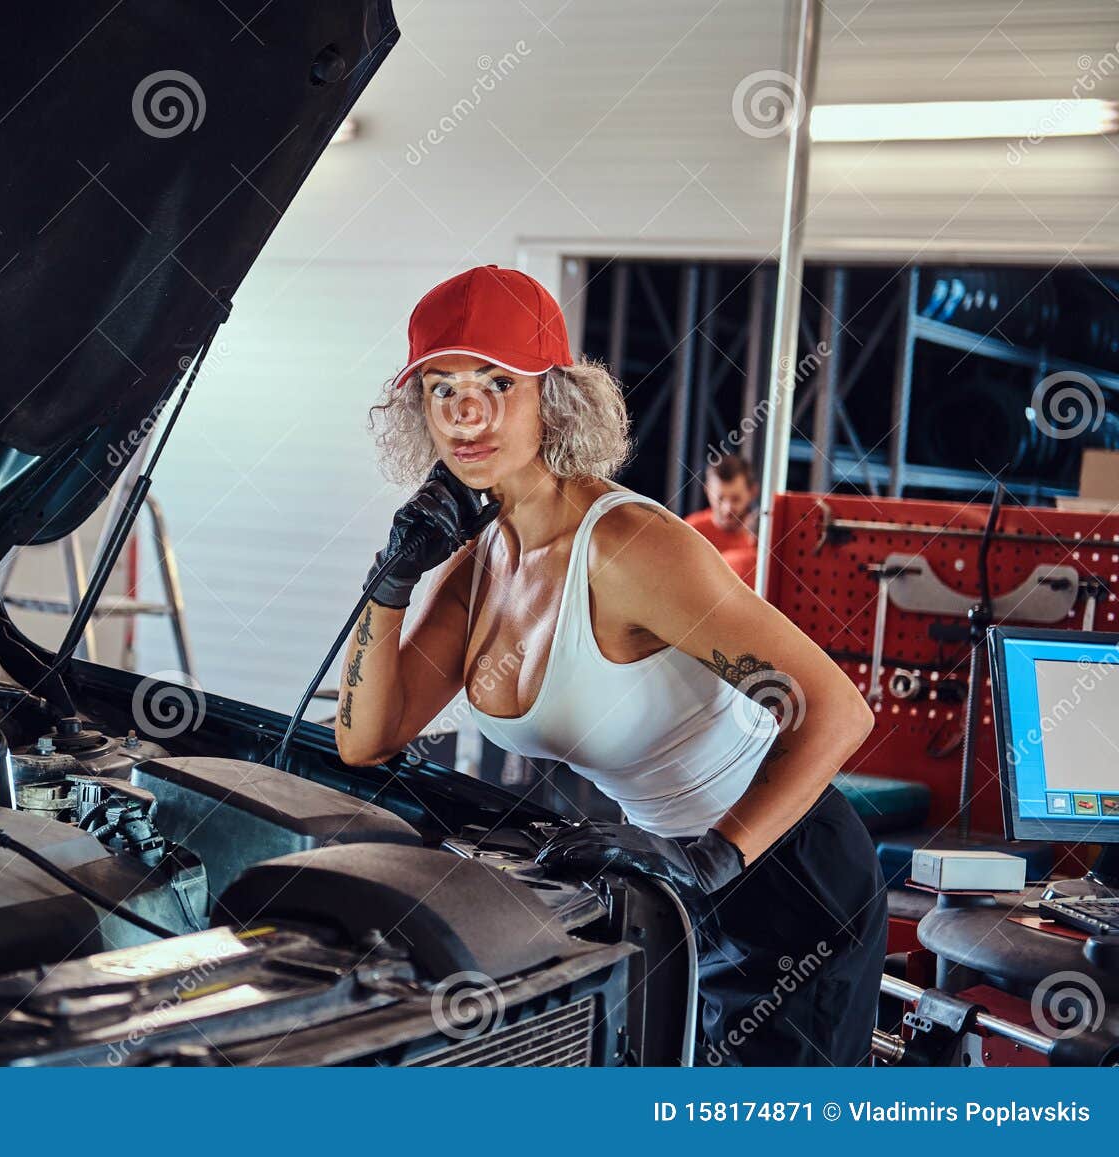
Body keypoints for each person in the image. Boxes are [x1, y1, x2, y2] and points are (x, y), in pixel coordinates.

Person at [335, 264, 886, 1066]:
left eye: (498, 381)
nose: (466, 412)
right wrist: (391, 578)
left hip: (784, 870)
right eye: (440, 386)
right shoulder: (478, 563)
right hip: (672, 875)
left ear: (552, 396)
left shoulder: (625, 549)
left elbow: (839, 710)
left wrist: (713, 859)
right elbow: (366, 739)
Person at [687, 455, 760, 586]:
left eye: (736, 499)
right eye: (720, 499)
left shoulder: (762, 538)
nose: (727, 508)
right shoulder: (691, 531)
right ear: (707, 491)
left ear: (752, 492)